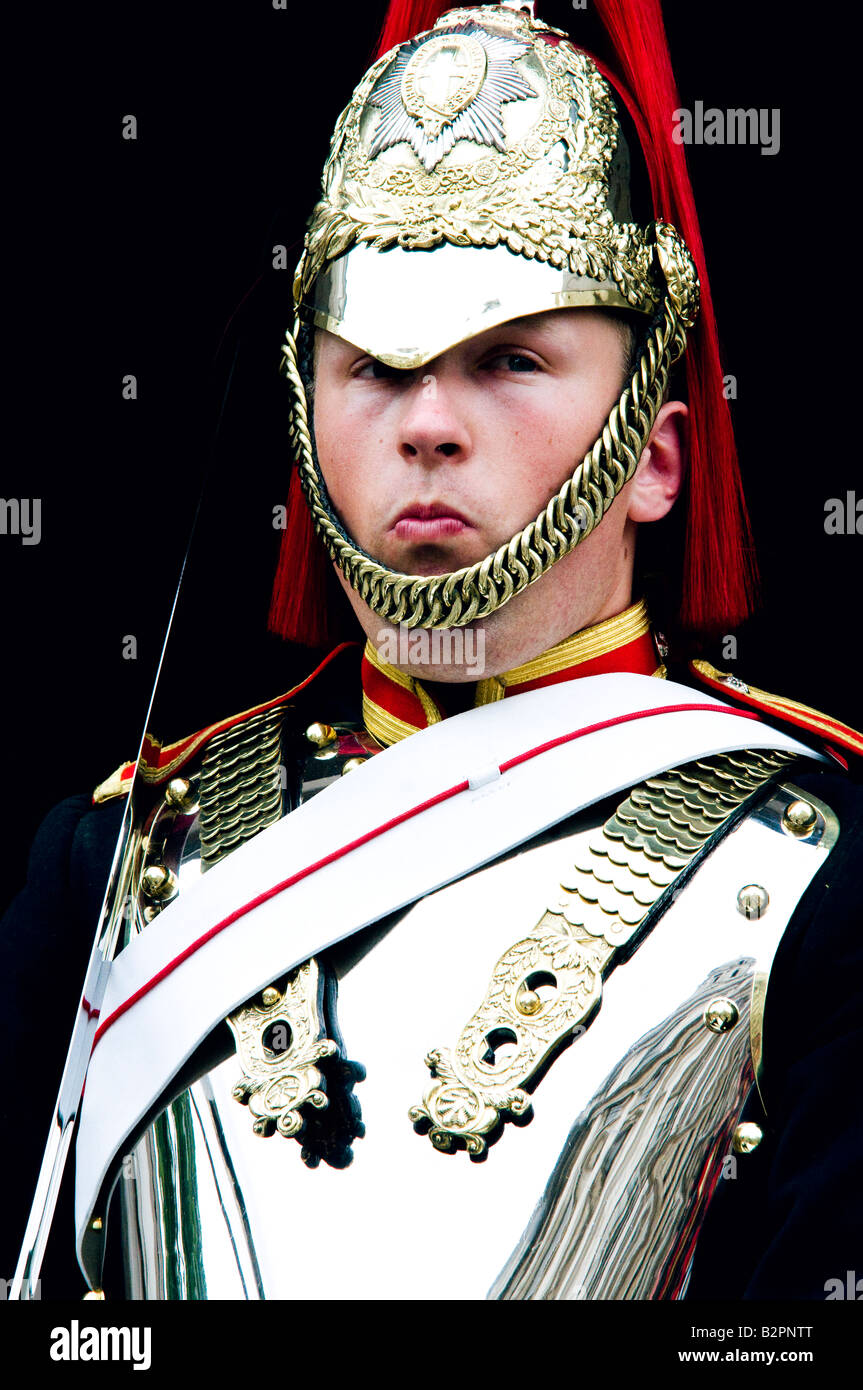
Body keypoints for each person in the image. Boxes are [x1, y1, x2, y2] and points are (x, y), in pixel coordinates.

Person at [4, 0, 861, 1302]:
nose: (428, 425)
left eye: (507, 357)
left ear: (657, 454)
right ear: (308, 419)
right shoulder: (111, 863)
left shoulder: (832, 881)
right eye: (376, 367)